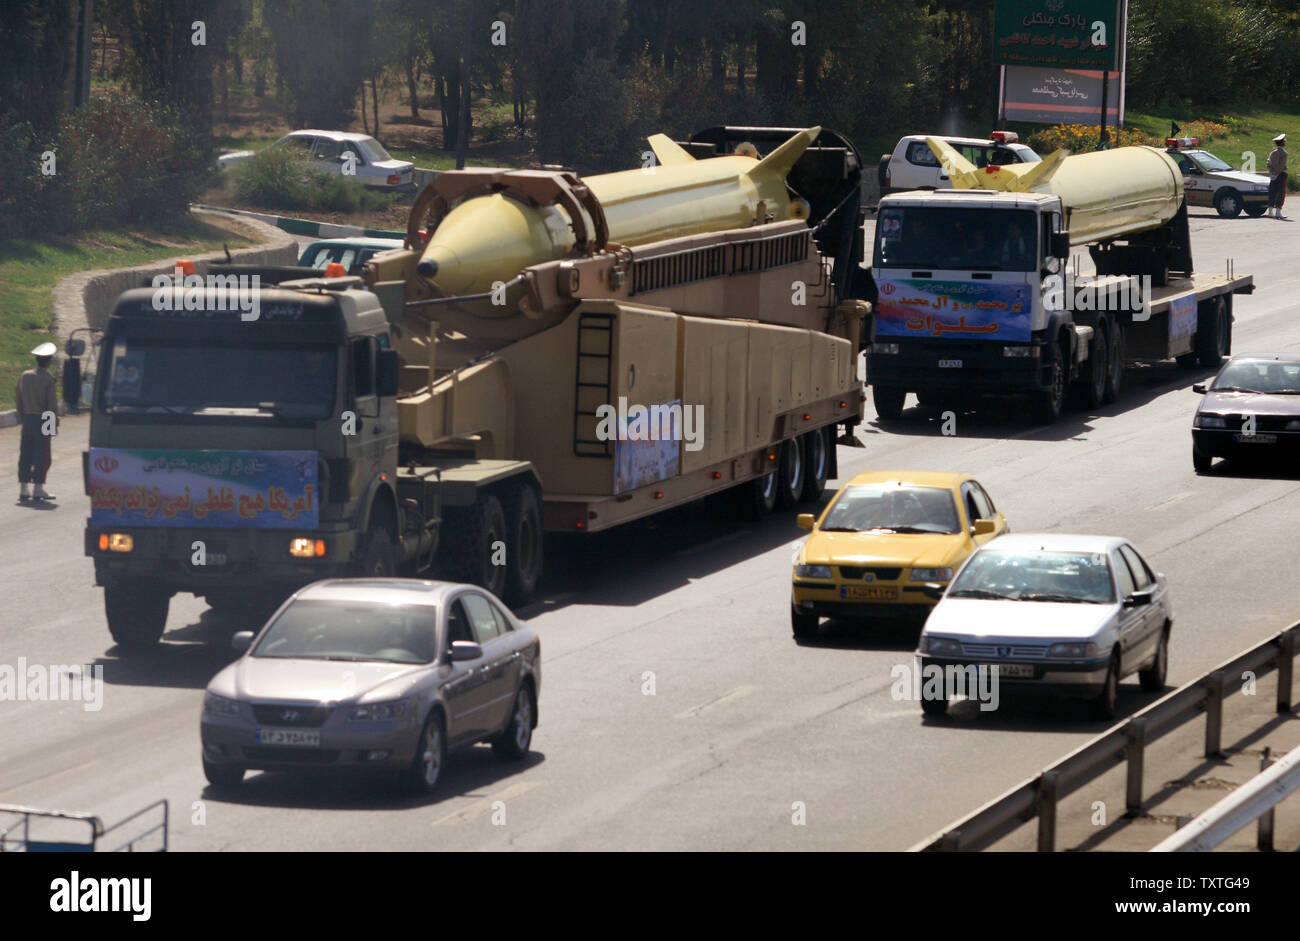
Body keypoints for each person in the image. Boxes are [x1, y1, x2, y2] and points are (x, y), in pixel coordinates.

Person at [15, 342, 59, 501]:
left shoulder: (24, 376)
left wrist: (23, 417)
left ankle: (23, 488)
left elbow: (18, 399)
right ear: (48, 361)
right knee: (42, 455)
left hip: (27, 418)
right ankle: (38, 488)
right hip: (43, 420)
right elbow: (51, 407)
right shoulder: (48, 380)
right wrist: (52, 427)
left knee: (25, 453)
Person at [1267, 134, 1288, 219]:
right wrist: (1280, 170)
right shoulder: (1284, 153)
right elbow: (1281, 165)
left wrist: (1272, 172)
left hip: (1272, 175)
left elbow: (1269, 164)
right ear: (1282, 142)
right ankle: (1278, 212)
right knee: (1281, 193)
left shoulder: (1272, 153)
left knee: (1272, 192)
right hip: (1280, 175)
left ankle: (1270, 211)